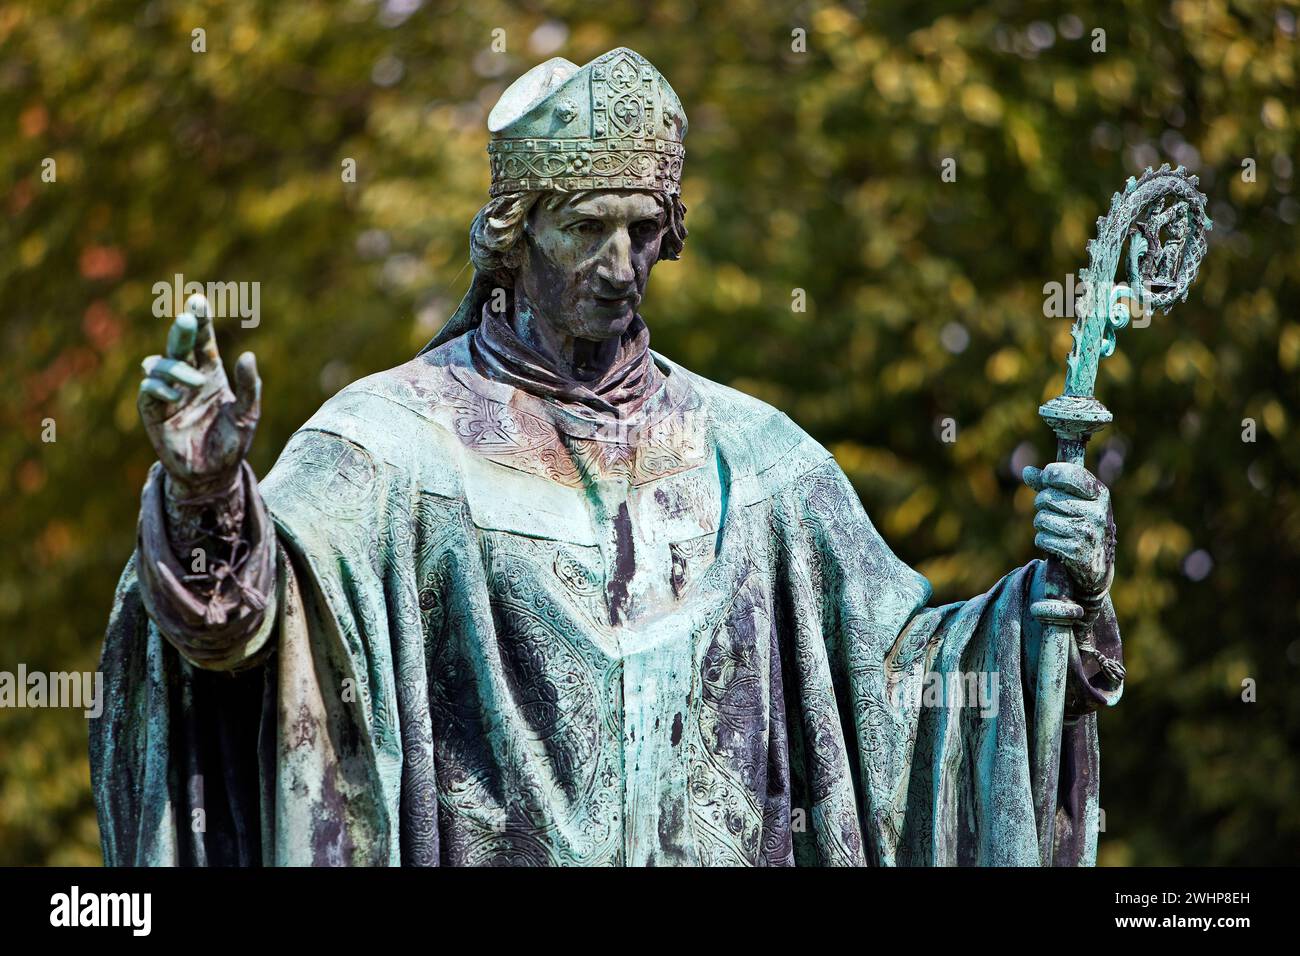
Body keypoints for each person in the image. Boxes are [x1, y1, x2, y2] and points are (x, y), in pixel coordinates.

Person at [92, 47, 1123, 866]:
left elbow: (911, 680)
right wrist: (205, 497)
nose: (621, 267)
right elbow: (241, 644)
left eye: (643, 230)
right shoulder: (391, 447)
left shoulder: (756, 461)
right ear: (514, 232)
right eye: (587, 228)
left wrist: (1054, 606)